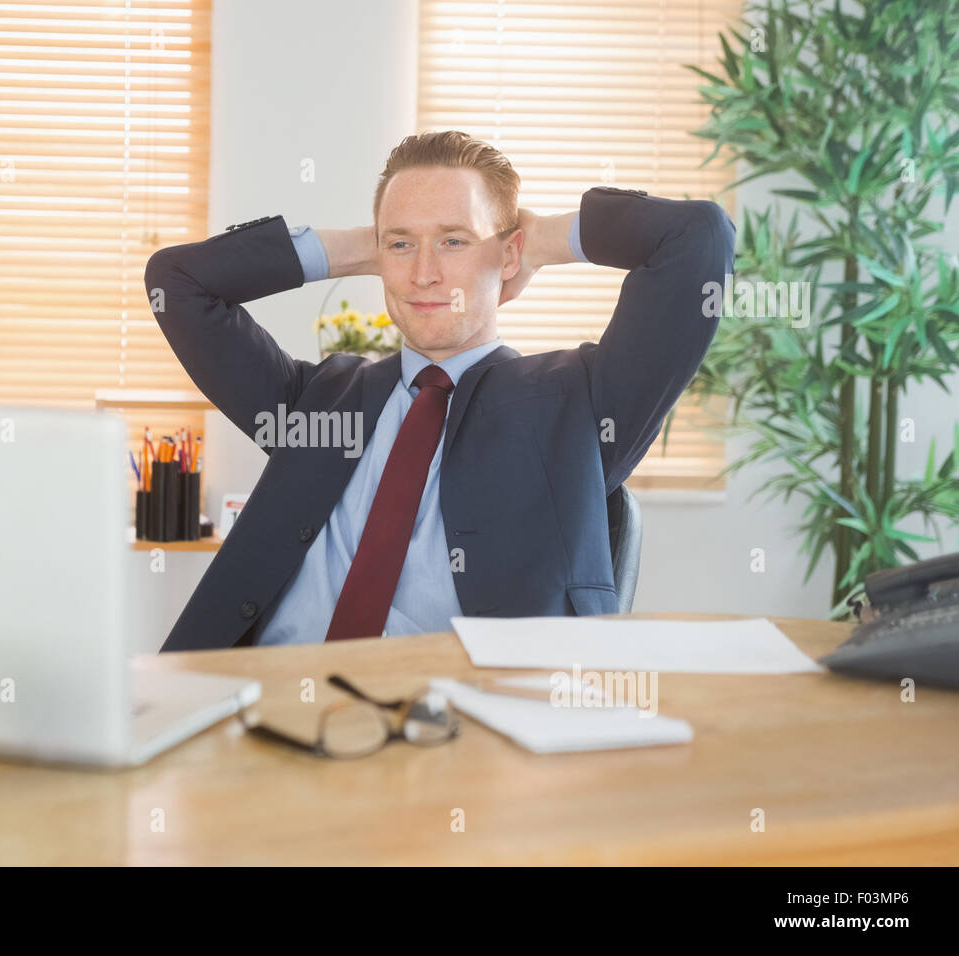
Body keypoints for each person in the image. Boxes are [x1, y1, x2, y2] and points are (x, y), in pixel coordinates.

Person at [145, 129, 735, 651]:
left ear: (508, 254)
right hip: (260, 713)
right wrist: (363, 247)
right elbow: (177, 282)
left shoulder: (578, 406)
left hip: (453, 738)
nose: (422, 274)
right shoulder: (317, 402)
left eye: (454, 241)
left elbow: (697, 237)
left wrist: (545, 240)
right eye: (402, 245)